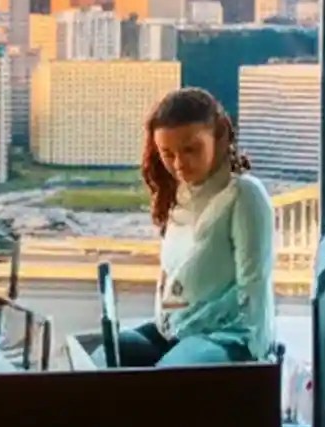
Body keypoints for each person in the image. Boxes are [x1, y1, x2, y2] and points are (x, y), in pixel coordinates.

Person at [102, 87, 275, 368]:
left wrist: (186, 327)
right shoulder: (179, 196)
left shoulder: (244, 195)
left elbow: (252, 288)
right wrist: (167, 325)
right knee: (100, 356)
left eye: (190, 149)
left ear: (220, 136)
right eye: (167, 153)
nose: (179, 164)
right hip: (176, 331)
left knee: (169, 374)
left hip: (229, 336)